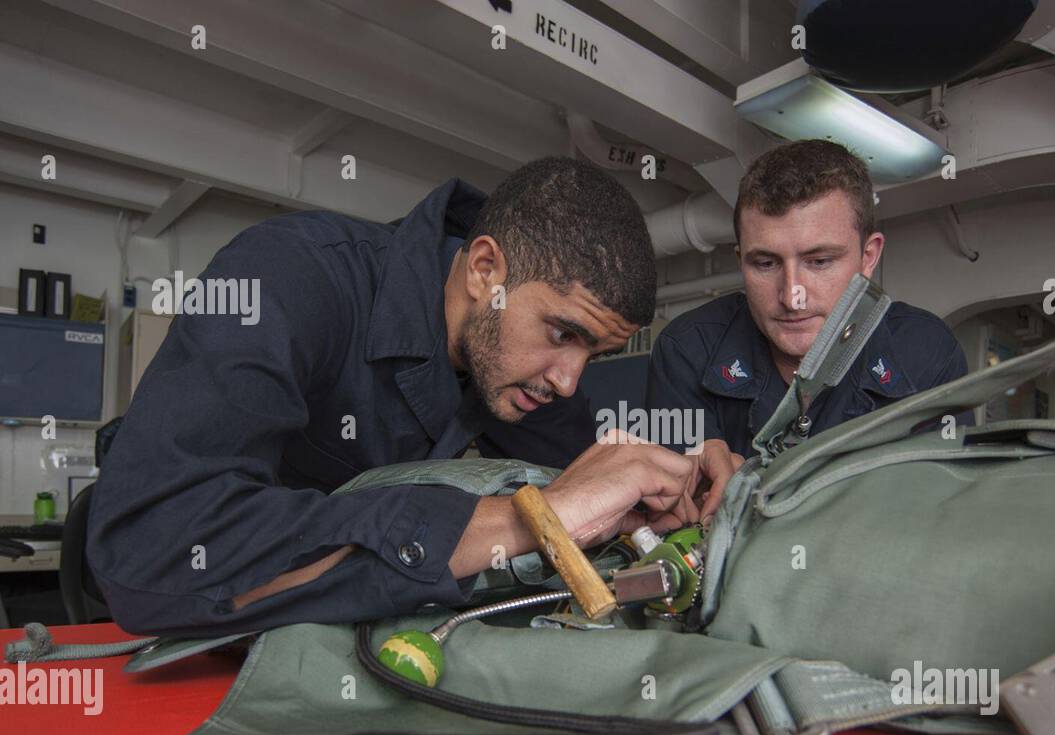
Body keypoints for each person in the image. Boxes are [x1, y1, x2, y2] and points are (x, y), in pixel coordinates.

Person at [88, 158, 710, 637]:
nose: (569, 381)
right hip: (165, 621)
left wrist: (678, 487)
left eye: (593, 355)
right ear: (485, 271)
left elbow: (596, 480)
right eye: (563, 334)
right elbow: (156, 551)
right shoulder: (286, 276)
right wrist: (530, 519)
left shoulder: (524, 368)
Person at [645, 140, 969, 517]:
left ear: (868, 257)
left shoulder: (927, 355)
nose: (791, 296)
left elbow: (945, 518)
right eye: (765, 264)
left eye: (819, 261)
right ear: (740, 262)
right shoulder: (687, 350)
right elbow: (671, 524)